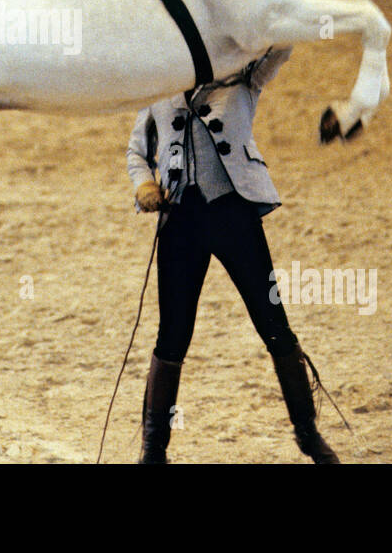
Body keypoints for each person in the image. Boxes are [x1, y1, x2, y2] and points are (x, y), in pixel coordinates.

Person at [127, 49, 340, 464]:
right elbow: (137, 151)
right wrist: (144, 185)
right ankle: (153, 450)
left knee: (273, 322)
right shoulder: (159, 82)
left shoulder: (244, 73)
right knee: (172, 335)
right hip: (180, 218)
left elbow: (282, 44)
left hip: (233, 213)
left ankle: (308, 434)